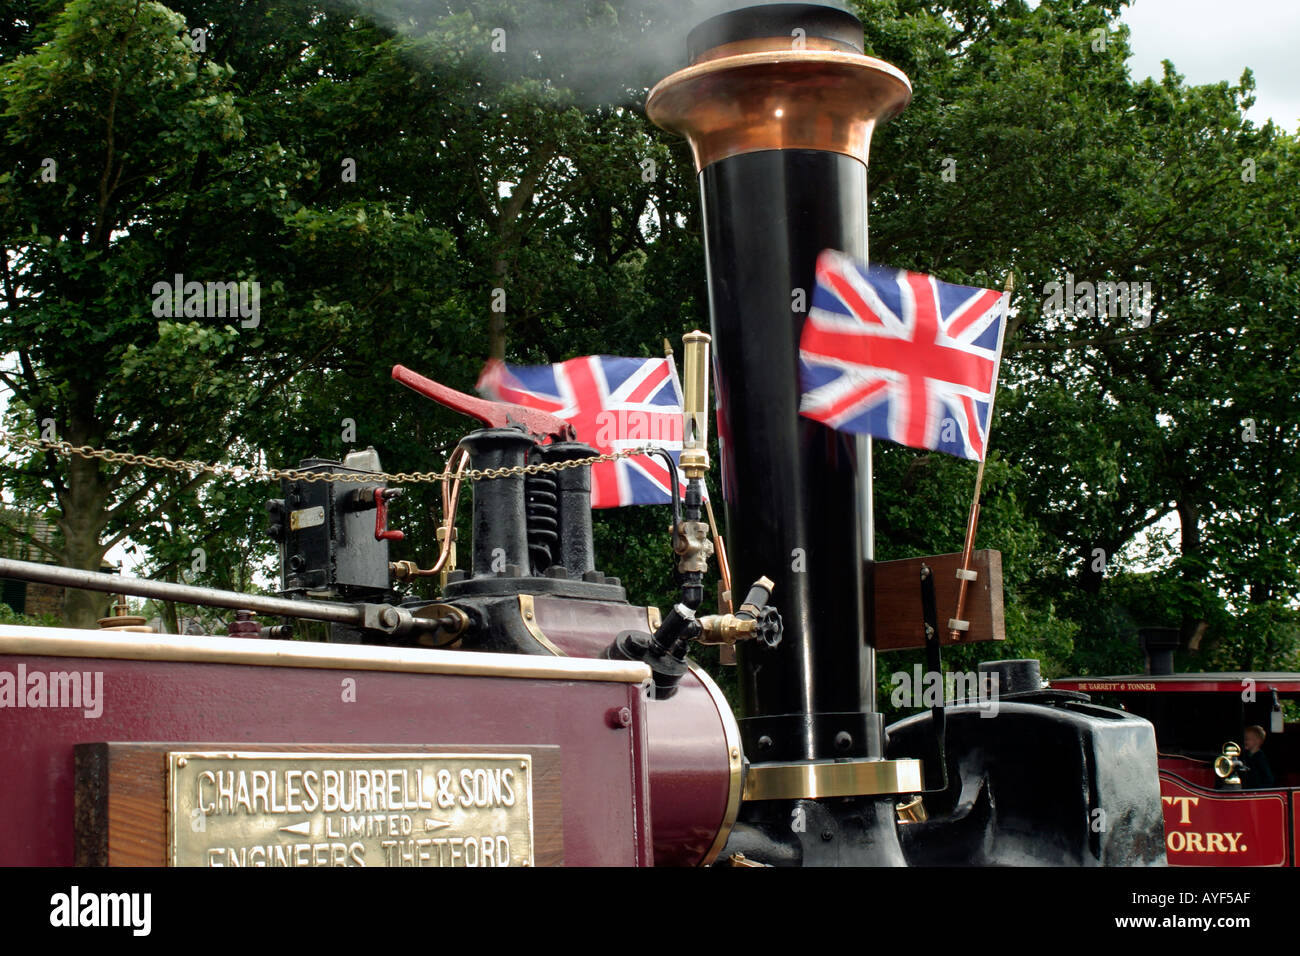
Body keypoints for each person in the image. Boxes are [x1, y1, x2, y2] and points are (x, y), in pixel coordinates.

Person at [1239, 725, 1275, 789]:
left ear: (1257, 741)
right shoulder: (1245, 756)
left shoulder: (1261, 758)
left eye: (1247, 739)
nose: (1244, 742)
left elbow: (1269, 779)